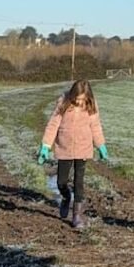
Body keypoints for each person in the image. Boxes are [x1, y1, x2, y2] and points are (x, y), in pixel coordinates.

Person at [37, 79, 110, 230]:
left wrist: (101, 145)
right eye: (77, 98)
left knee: (79, 182)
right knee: (61, 182)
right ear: (72, 94)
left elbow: (95, 126)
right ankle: (65, 196)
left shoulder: (91, 105)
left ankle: (77, 215)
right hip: (64, 148)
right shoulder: (63, 102)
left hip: (83, 148)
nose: (79, 101)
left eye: (82, 99)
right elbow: (53, 124)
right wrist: (45, 145)